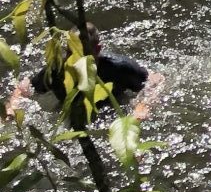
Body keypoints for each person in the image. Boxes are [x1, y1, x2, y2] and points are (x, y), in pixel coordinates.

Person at [6, 23, 163, 126]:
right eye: (71, 52)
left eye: (83, 53)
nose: (76, 60)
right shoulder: (58, 70)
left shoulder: (118, 67)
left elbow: (157, 79)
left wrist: (143, 106)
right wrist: (13, 103)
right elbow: (25, 86)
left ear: (97, 50)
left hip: (110, 107)